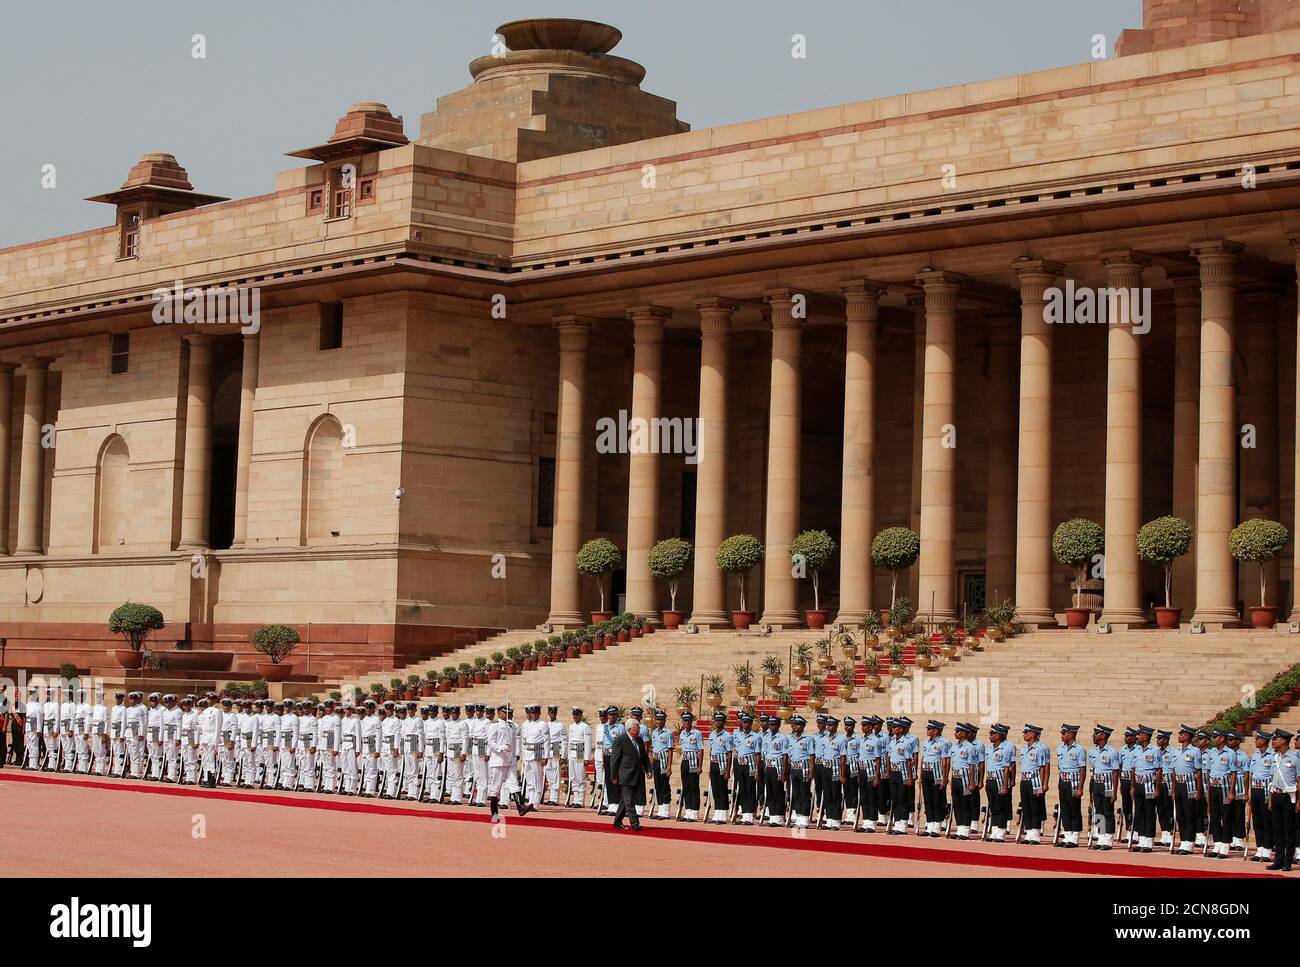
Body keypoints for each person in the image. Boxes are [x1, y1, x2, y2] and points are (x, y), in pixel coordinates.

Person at [1266, 729, 1297, 872]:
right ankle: (1278, 860)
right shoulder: (1275, 757)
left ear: (1284, 740)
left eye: (1276, 739)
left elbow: (1299, 781)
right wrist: (1271, 800)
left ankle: (1287, 862)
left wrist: (1298, 802)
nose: (1273, 741)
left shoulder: (1295, 757)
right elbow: (1272, 780)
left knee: (1288, 830)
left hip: (1289, 797)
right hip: (1276, 795)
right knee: (1277, 829)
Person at [610, 717, 648, 830]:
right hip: (625, 775)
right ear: (630, 729)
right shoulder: (620, 740)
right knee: (629, 801)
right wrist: (613, 776)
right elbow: (614, 759)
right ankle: (635, 824)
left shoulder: (640, 740)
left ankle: (617, 821)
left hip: (637, 775)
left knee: (624, 801)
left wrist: (648, 769)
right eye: (637, 727)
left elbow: (644, 757)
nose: (639, 729)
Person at [1087, 725, 1119, 850]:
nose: (1093, 736)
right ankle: (1101, 837)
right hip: (1096, 783)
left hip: (1107, 784)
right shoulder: (1092, 752)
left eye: (1096, 734)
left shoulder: (1112, 752)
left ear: (1104, 735)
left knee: (1108, 812)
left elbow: (1116, 773)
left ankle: (1108, 838)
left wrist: (1115, 792)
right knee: (1099, 811)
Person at [1055, 723, 1087, 848]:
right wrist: (1059, 782)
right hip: (1063, 781)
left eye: (1064, 733)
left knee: (1074, 809)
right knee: (1065, 809)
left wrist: (1080, 787)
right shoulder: (1060, 748)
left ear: (1072, 734)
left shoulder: (1079, 749)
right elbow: (1059, 767)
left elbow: (1082, 770)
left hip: (1074, 782)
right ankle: (1067, 835)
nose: (1062, 736)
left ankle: (1074, 837)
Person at [1018, 724, 1049, 844]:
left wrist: (1043, 784)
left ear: (1034, 734)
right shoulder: (1023, 748)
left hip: (1035, 780)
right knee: (1026, 806)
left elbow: (1044, 768)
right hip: (1024, 779)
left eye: (1027, 732)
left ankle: (1035, 833)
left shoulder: (1041, 748)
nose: (1025, 735)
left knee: (1035, 807)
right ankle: (1029, 832)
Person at [1130, 724, 1160, 852]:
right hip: (1138, 783)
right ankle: (1141, 839)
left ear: (1146, 736)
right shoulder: (1135, 750)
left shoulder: (1154, 750)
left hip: (1149, 784)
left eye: (1140, 734)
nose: (1138, 736)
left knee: (1149, 812)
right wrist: (1132, 786)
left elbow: (1159, 770)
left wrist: (1157, 788)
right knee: (1139, 812)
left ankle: (1148, 841)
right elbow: (1133, 769)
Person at [1248, 730, 1276, 863]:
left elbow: (1272, 777)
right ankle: (1260, 848)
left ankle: (1267, 849)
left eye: (1258, 739)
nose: (1256, 741)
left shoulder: (1272, 755)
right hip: (1255, 789)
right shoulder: (1255, 754)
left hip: (1266, 790)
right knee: (1257, 820)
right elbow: (1252, 774)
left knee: (1267, 821)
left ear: (1264, 740)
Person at [985, 723, 1015, 842]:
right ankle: (994, 830)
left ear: (999, 735)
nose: (990, 736)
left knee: (1001, 806)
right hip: (991, 778)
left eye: (992, 734)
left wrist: (1006, 784)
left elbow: (1008, 767)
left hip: (1000, 778)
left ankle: (1001, 832)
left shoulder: (1006, 748)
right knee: (993, 806)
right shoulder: (990, 748)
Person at [920, 720, 950, 837]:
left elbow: (945, 761)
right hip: (926, 772)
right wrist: (921, 774)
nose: (927, 731)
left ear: (936, 730)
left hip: (937, 773)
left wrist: (945, 777)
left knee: (937, 799)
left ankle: (937, 826)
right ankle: (929, 824)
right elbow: (923, 758)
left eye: (929, 729)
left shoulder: (944, 742)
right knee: (928, 799)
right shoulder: (926, 742)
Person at [678, 711, 704, 822]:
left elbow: (700, 750)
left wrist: (700, 765)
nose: (687, 722)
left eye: (688, 720)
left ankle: (694, 811)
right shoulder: (682, 733)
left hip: (693, 761)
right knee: (686, 786)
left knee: (693, 786)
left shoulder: (697, 733)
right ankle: (688, 810)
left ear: (691, 721)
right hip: (684, 760)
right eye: (685, 720)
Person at [649, 710, 674, 818]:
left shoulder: (668, 733)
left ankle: (666, 809)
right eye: (657, 719)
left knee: (664, 784)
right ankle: (660, 808)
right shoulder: (654, 733)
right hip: (656, 759)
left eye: (661, 719)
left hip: (664, 759)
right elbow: (653, 749)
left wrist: (669, 766)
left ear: (664, 720)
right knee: (657, 784)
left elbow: (670, 750)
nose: (659, 721)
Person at [566, 707, 593, 808]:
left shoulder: (585, 727)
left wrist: (587, 758)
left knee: (580, 776)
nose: (575, 717)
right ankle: (575, 799)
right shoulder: (571, 726)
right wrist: (568, 755)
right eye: (574, 715)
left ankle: (580, 801)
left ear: (581, 716)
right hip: (572, 753)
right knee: (573, 777)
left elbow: (588, 743)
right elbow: (569, 742)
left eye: (577, 715)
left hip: (580, 751)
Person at [544, 705, 566, 805]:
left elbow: (564, 740)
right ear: (548, 713)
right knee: (548, 772)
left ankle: (555, 798)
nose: (552, 714)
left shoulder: (560, 725)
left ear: (556, 713)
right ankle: (551, 797)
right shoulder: (546, 725)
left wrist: (563, 755)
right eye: (550, 712)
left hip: (556, 748)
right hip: (548, 750)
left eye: (554, 712)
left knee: (556, 772)